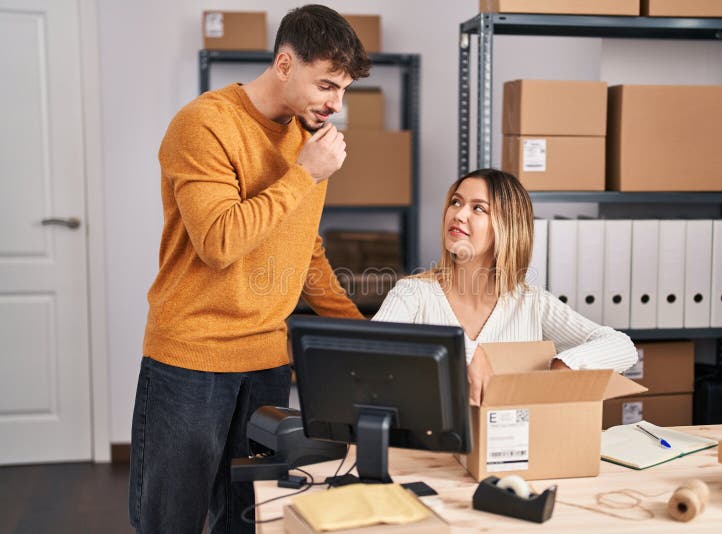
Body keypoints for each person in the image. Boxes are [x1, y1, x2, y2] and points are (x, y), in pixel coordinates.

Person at [129, 5, 371, 533]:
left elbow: (305, 251)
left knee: (251, 519)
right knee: (172, 521)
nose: (336, 103)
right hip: (192, 359)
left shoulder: (309, 141)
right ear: (285, 64)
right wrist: (303, 174)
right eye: (327, 85)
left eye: (344, 89)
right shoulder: (205, 124)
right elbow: (219, 242)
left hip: (266, 361)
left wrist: (365, 338)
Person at [372, 168, 637, 404]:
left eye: (478, 208)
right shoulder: (413, 293)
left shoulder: (531, 303)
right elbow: (370, 348)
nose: (459, 214)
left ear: (507, 227)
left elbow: (622, 347)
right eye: (456, 202)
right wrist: (465, 353)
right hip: (427, 454)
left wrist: (565, 365)